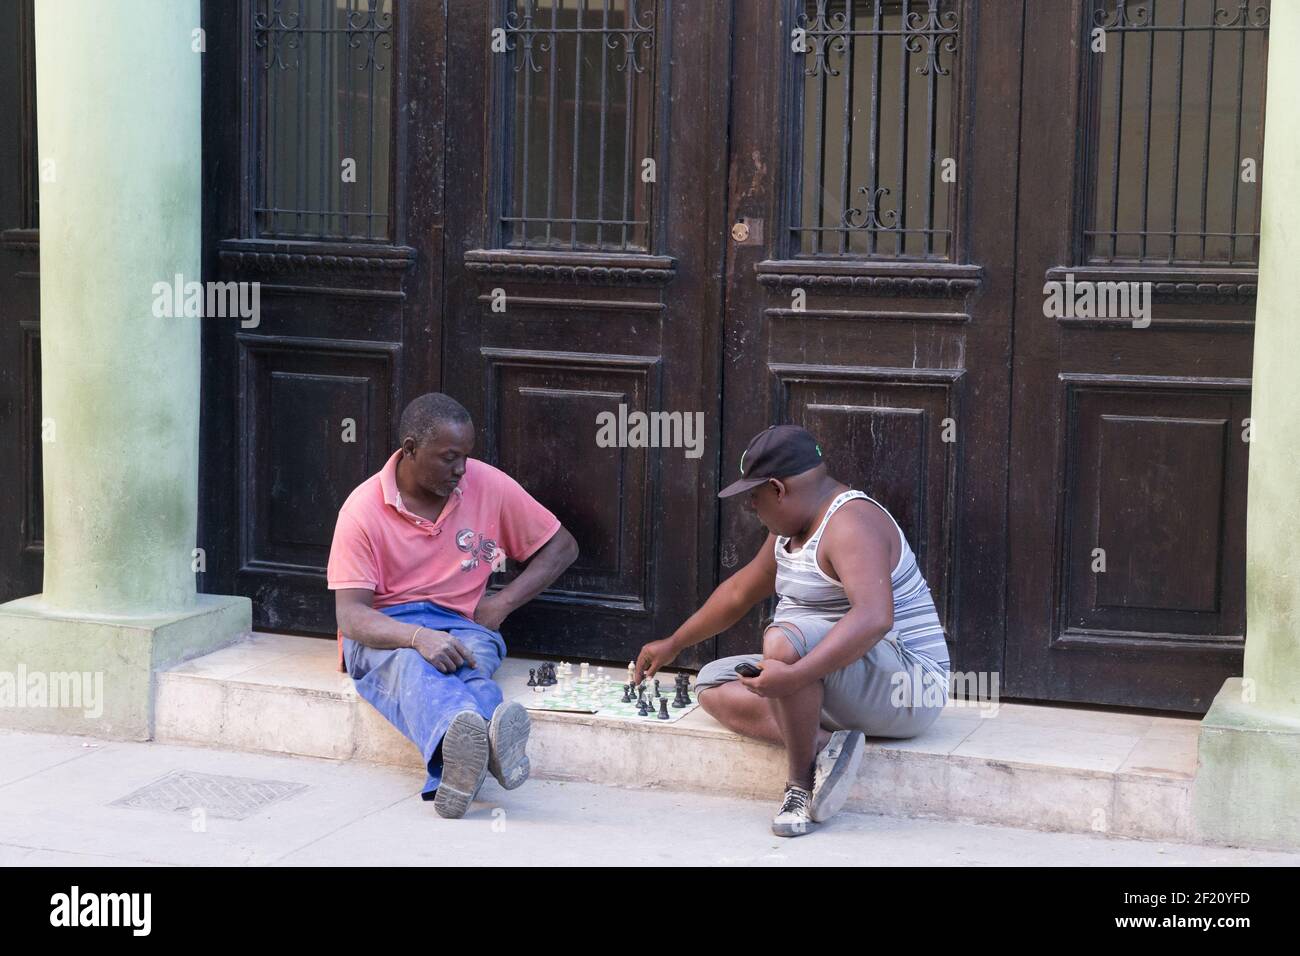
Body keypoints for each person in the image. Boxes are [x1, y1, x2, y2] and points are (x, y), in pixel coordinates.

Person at [634, 425, 949, 836]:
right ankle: (823, 746)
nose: (751, 505)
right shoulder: (790, 531)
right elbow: (738, 593)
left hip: (909, 687)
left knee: (782, 642)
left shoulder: (850, 523)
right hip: (847, 677)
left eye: (754, 496)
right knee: (712, 684)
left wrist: (795, 677)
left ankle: (799, 787)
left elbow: (875, 618)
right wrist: (674, 643)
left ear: (779, 489)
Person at [327, 393, 578, 818]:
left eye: (465, 456)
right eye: (448, 458)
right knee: (414, 666)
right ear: (409, 449)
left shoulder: (486, 484)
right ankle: (486, 742)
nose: (461, 470)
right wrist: (418, 637)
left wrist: (500, 605)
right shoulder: (362, 510)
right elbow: (350, 616)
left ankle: (462, 760)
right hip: (385, 628)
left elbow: (563, 546)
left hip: (462, 625)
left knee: (469, 659)